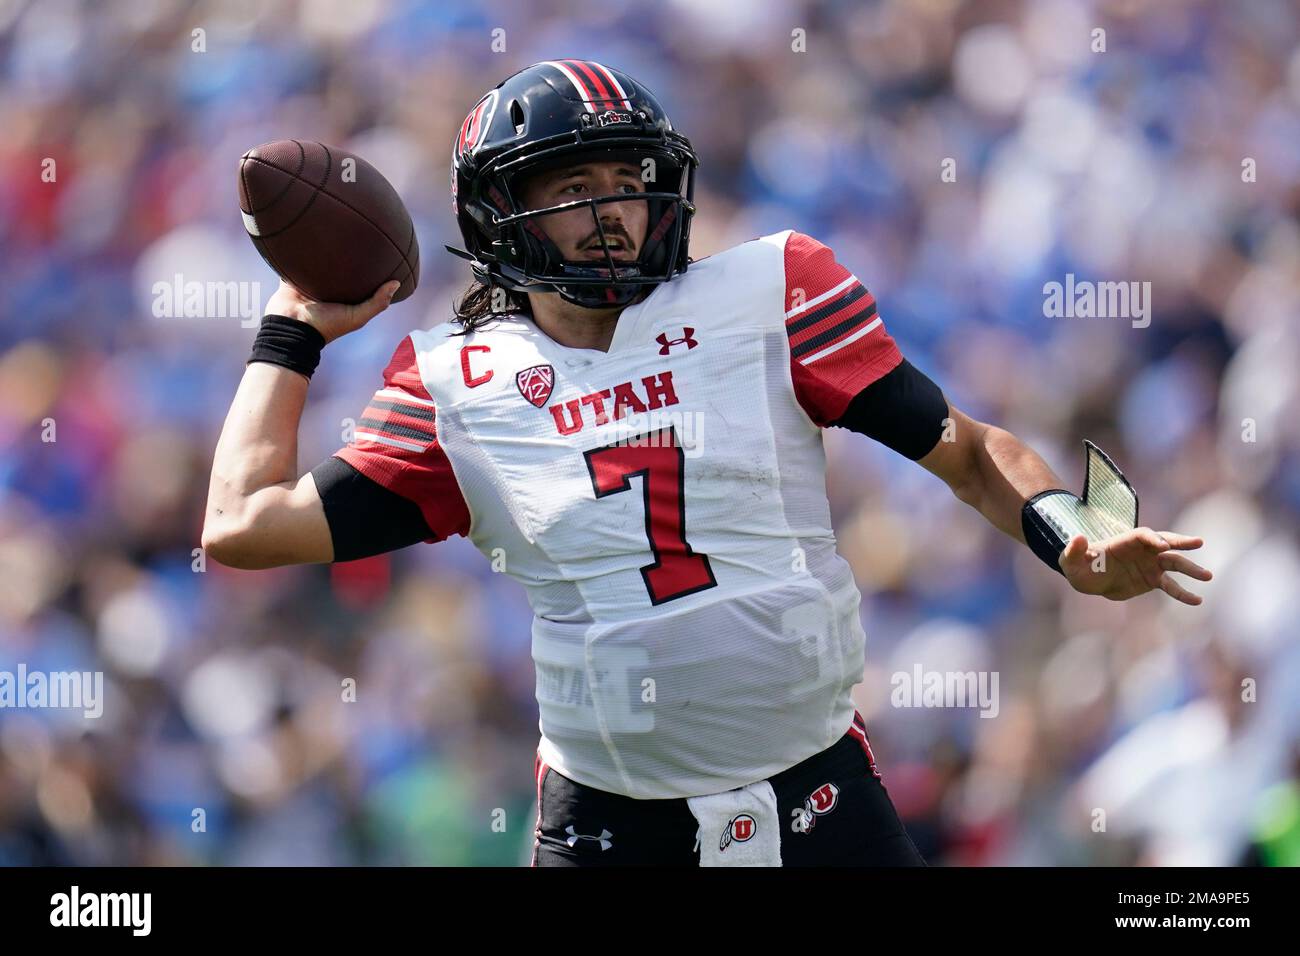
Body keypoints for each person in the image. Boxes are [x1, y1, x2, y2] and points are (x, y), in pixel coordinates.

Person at [202, 60, 1212, 866]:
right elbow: (240, 524)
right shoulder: (454, 381)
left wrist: (1069, 530)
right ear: (501, 213)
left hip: (814, 784)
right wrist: (291, 332)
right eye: (571, 187)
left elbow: (970, 451)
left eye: (624, 181)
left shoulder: (769, 292)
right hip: (609, 817)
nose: (610, 210)